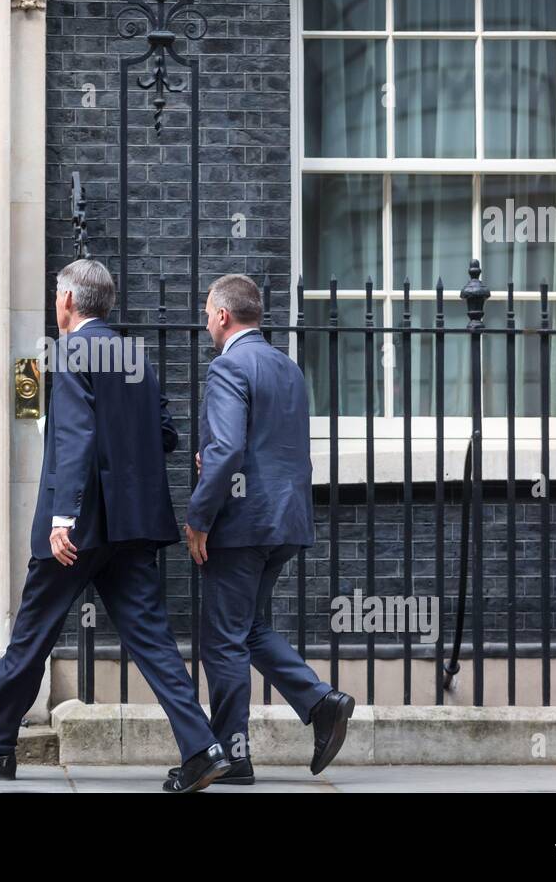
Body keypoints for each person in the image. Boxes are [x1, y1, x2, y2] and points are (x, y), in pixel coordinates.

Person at [0, 258, 230, 793]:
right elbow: (165, 435)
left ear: (70, 302)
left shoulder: (73, 351)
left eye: (57, 296)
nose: (56, 304)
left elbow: (75, 438)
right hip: (134, 525)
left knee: (32, 635)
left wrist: (62, 518)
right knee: (152, 641)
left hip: (78, 530)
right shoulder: (132, 353)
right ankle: (203, 747)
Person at [182, 273, 355, 785]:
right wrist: (217, 459)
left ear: (221, 315)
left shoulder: (228, 367)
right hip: (287, 521)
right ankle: (321, 702)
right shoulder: (287, 368)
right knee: (248, 629)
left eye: (207, 312)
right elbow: (263, 446)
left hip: (242, 526)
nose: (206, 321)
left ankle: (233, 756)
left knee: (221, 641)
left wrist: (198, 516)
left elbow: (229, 448)